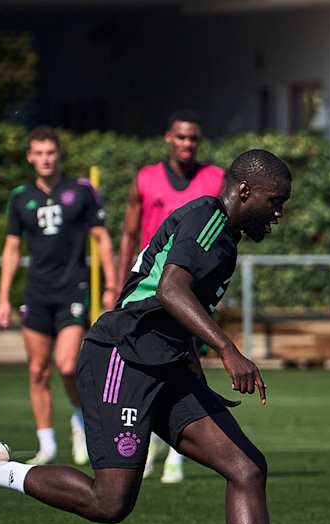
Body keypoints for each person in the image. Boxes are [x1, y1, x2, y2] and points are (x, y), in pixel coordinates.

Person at [0, 150, 330, 524]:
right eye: (276, 201)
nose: (279, 213)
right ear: (245, 191)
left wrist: (194, 372)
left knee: (246, 467)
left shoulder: (224, 237)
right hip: (120, 357)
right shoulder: (208, 219)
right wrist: (228, 349)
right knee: (109, 503)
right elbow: (170, 290)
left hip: (165, 367)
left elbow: (170, 309)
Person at [0, 127, 119, 466]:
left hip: (72, 289)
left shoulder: (81, 191)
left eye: (51, 152)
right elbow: (11, 247)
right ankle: (46, 444)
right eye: (39, 153)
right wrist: (3, 297)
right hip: (37, 292)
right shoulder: (20, 197)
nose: (46, 159)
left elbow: (102, 238)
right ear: (30, 157)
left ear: (59, 155)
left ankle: (80, 422)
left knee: (66, 364)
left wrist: (111, 284)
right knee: (37, 370)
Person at [117, 110, 225, 484]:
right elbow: (129, 235)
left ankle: (179, 449)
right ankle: (148, 442)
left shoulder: (214, 179)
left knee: (188, 363)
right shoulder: (145, 179)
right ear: (168, 138)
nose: (187, 144)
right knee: (145, 366)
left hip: (191, 291)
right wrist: (118, 286)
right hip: (150, 289)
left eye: (193, 138)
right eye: (180, 137)